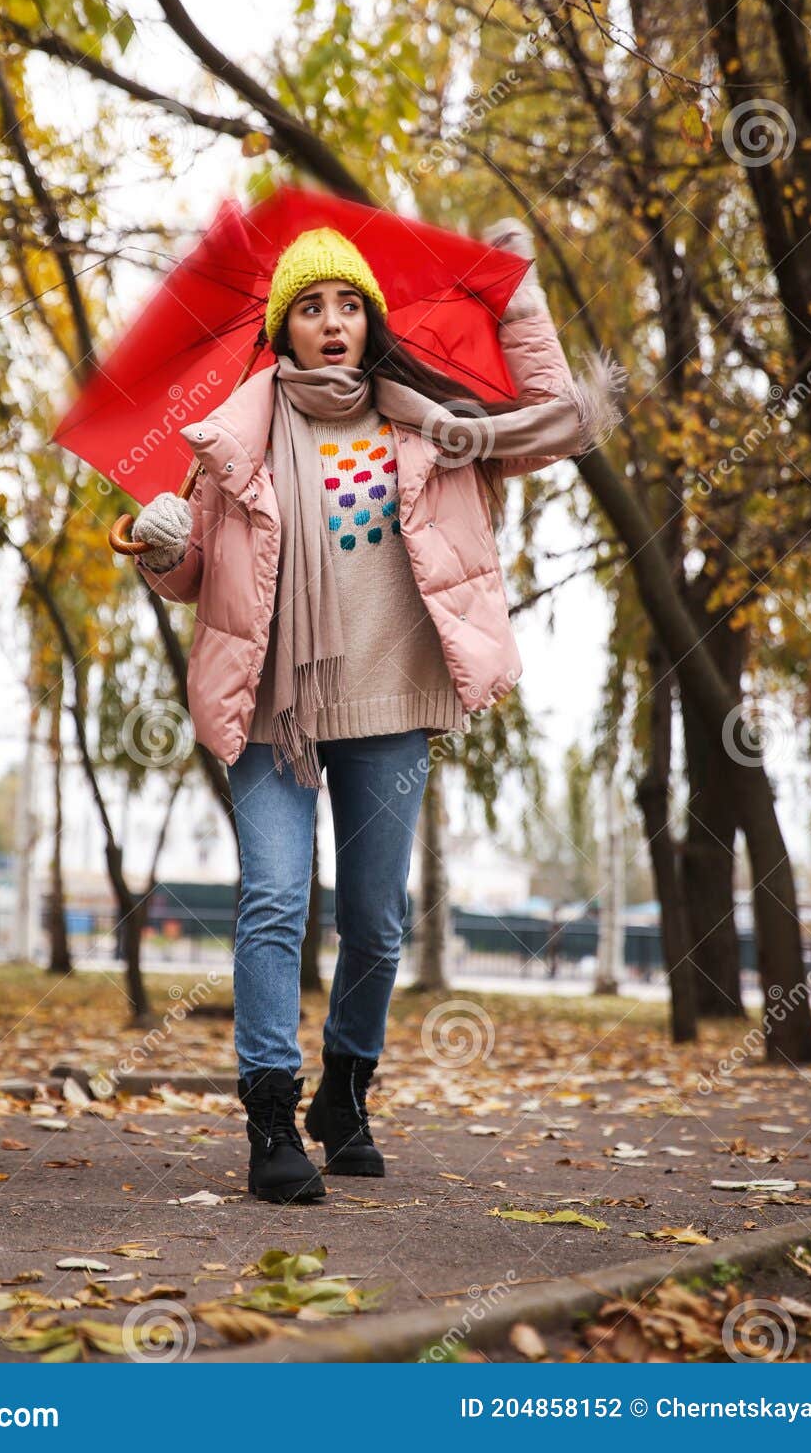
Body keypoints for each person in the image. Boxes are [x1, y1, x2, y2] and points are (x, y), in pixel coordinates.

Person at [130, 222, 626, 1204]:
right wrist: (160, 545)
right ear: (284, 326)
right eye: (309, 306)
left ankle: (344, 1091)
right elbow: (195, 580)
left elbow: (553, 418)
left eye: (346, 305)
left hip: (391, 702)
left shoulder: (429, 428)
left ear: (368, 322)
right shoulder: (234, 438)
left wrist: (514, 291)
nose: (329, 322)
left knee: (375, 921)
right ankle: (271, 1115)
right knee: (273, 900)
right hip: (273, 706)